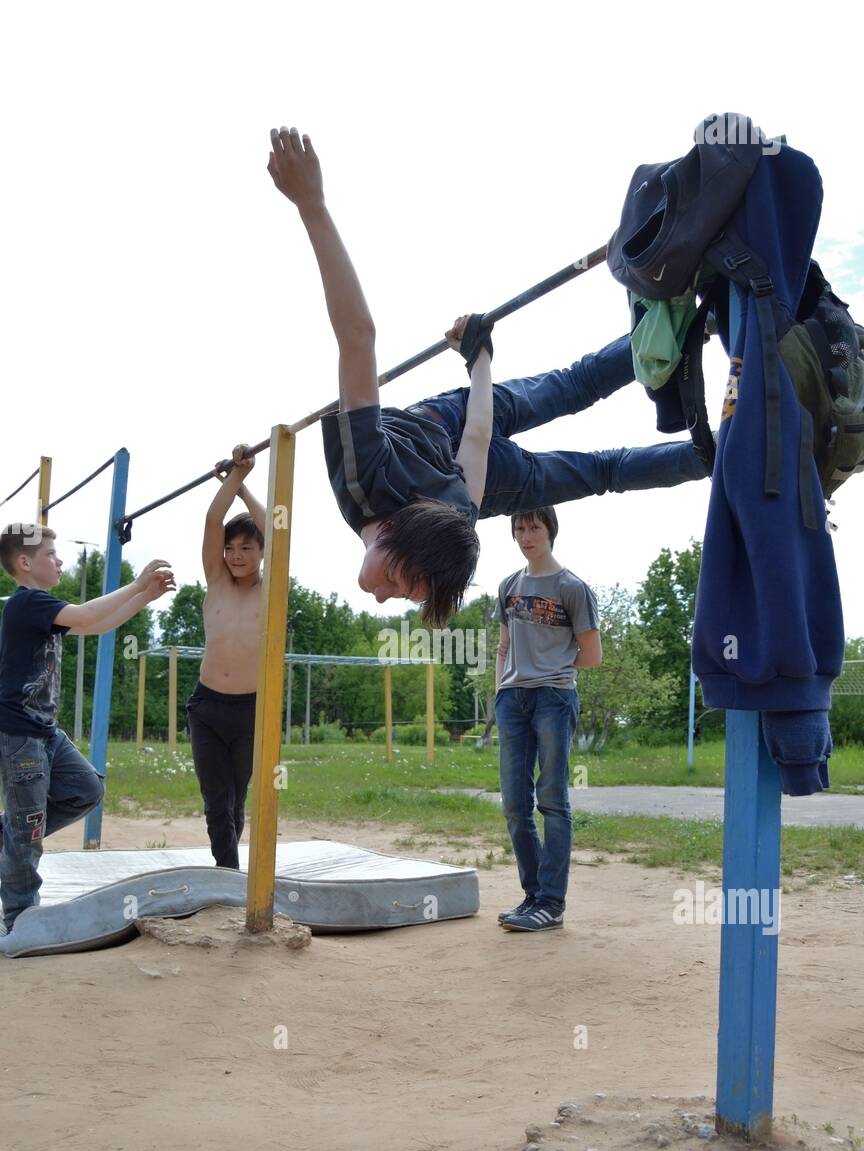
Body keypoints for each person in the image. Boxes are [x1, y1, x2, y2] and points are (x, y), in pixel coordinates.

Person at [267, 125, 710, 625]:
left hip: (447, 419)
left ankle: (692, 325)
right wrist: (478, 361)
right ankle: (710, 453)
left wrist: (480, 358)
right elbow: (471, 443)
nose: (381, 597)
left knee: (573, 385)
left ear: (393, 532)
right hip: (486, 473)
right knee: (596, 465)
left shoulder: (377, 485)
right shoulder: (445, 519)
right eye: (400, 589)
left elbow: (361, 341)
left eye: (392, 584)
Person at [0, 523, 174, 935]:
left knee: (86, 789)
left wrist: (144, 597)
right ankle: (19, 923)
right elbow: (88, 614)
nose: (60, 560)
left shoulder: (42, 607)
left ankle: (12, 833)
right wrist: (134, 582)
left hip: (44, 731)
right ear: (25, 563)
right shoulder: (27, 604)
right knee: (27, 835)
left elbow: (96, 625)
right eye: (50, 554)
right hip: (20, 733)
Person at [493, 505, 600, 932]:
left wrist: (549, 667)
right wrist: (500, 689)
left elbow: (591, 655)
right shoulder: (507, 586)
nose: (526, 535)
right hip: (511, 700)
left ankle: (552, 902)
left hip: (554, 698)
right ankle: (533, 895)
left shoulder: (572, 588)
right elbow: (503, 646)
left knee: (552, 801)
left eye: (534, 526)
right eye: (519, 527)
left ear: (550, 530)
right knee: (515, 806)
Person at [185, 451, 268, 870]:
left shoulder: (270, 590)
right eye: (231, 548)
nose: (235, 554)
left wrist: (245, 482)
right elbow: (213, 522)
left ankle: (227, 871)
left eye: (246, 547)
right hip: (208, 707)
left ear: (261, 552)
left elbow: (274, 527)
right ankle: (230, 875)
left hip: (252, 710)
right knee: (217, 800)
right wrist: (232, 478)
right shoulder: (216, 580)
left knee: (236, 799)